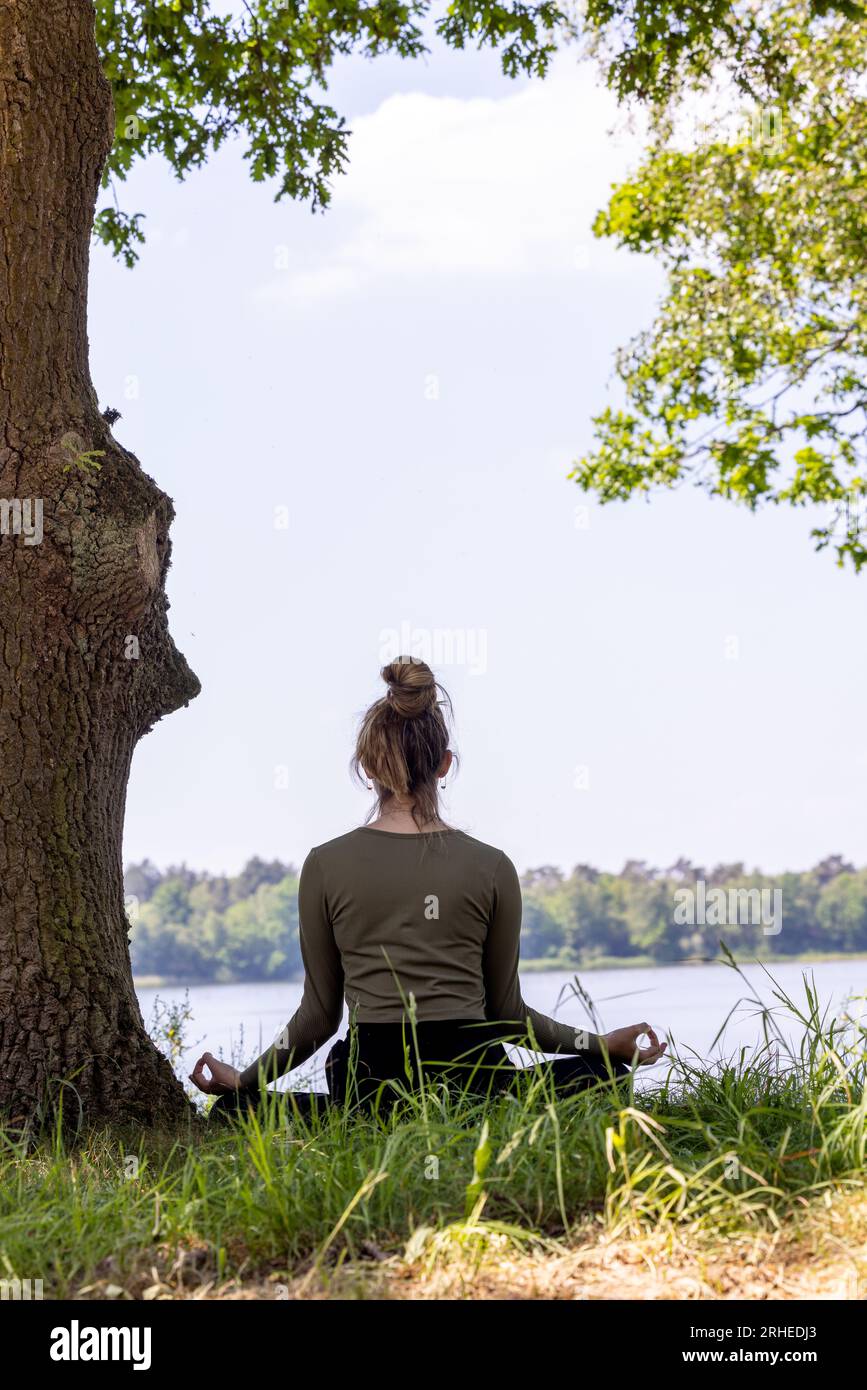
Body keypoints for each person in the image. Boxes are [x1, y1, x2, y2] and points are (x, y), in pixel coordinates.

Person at [190, 657, 666, 1118]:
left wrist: (247, 1080)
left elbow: (319, 1018)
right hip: (475, 1086)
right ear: (444, 764)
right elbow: (505, 1013)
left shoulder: (323, 865)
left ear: (368, 766)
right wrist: (601, 1046)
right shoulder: (493, 866)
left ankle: (342, 1116)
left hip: (374, 1089)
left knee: (238, 1109)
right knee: (599, 1074)